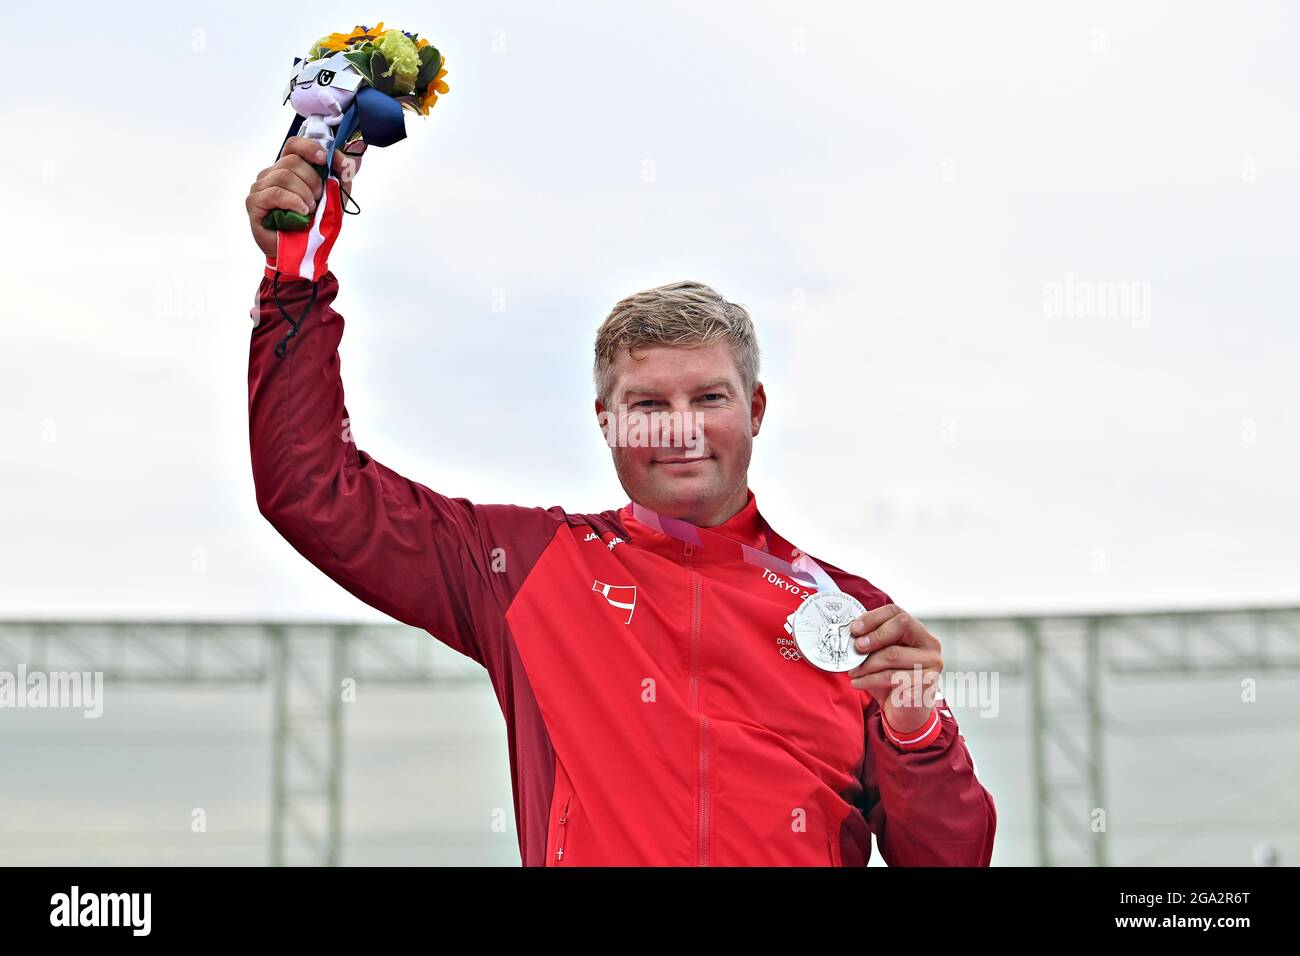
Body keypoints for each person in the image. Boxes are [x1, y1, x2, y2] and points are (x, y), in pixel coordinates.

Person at [243, 136, 998, 866]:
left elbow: (951, 859)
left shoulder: (852, 620)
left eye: (709, 397)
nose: (681, 428)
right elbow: (312, 493)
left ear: (757, 408)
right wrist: (296, 278)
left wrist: (915, 733)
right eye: (647, 404)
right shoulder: (522, 567)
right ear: (603, 420)